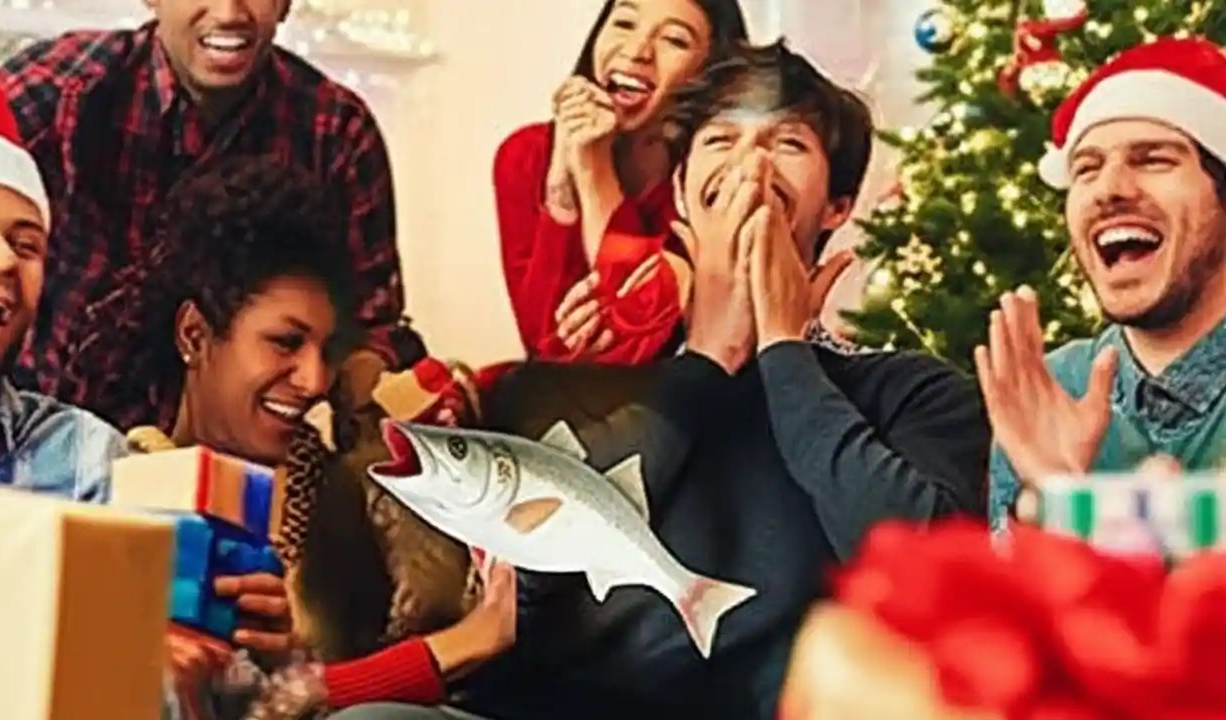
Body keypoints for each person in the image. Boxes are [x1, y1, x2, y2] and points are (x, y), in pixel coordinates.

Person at [345, 41, 990, 720]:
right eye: (722, 138)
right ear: (682, 192)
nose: (751, 162)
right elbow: (533, 587)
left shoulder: (911, 392)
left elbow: (930, 566)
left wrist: (785, 352)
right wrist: (707, 358)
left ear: (837, 204)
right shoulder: (588, 389)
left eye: (787, 142)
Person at [0, 5, 291, 718]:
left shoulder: (87, 463)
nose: (0, 260)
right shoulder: (67, 88)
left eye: (28, 244)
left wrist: (237, 659)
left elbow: (186, 677)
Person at [96, 156, 518, 712]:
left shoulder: (367, 480)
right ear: (194, 335)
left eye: (327, 349)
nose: (315, 379)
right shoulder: (118, 492)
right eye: (285, 343)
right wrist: (456, 648)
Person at [0, 0, 424, 430]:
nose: (228, 12)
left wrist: (368, 387)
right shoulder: (54, 97)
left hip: (245, 461)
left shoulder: (336, 134)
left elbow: (373, 326)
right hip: (36, 445)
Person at [980, 37, 1226, 530]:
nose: (1109, 189)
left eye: (1154, 159)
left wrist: (1080, 510)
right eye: (1086, 168)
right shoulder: (1049, 386)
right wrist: (1045, 495)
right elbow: (1013, 603)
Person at [494, 0, 747, 364]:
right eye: (625, 23)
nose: (636, 51)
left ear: (710, 72)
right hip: (552, 398)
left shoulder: (713, 179)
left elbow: (640, 340)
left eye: (674, 40)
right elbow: (546, 343)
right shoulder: (524, 155)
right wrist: (562, 191)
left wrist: (593, 166)